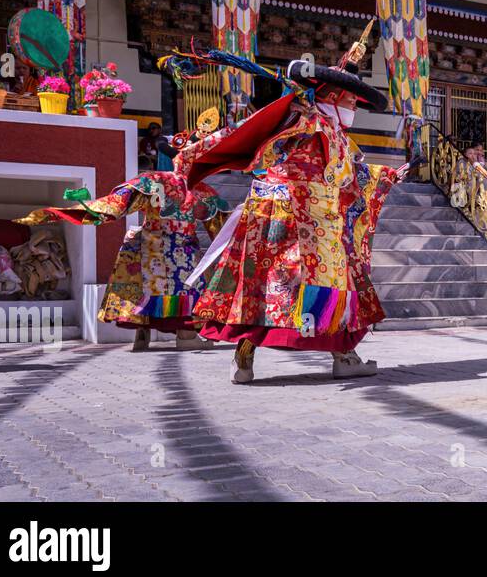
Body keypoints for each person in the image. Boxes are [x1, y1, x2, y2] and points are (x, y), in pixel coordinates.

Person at [177, 23, 409, 383]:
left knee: (262, 283)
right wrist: (196, 151)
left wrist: (391, 175)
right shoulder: (307, 121)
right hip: (302, 216)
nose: (355, 107)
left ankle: (247, 355)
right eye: (350, 100)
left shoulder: (328, 130)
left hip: (283, 212)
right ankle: (342, 355)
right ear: (331, 96)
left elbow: (351, 176)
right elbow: (256, 137)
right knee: (325, 282)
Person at [21, 174, 230, 351]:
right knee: (187, 289)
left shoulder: (152, 180)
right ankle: (186, 335)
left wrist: (78, 210)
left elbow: (115, 205)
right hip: (182, 248)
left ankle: (143, 332)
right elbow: (222, 228)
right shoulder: (203, 190)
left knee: (144, 285)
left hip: (152, 245)